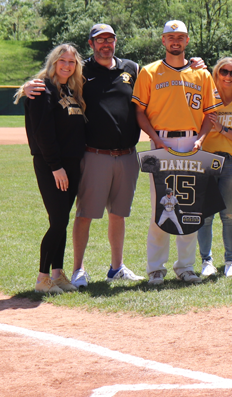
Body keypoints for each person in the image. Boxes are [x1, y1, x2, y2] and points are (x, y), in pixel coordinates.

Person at [20, 24, 145, 287]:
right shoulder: (82, 70)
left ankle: (114, 267)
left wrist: (194, 64)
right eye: (100, 40)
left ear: (115, 41)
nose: (105, 44)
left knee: (117, 214)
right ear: (91, 44)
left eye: (110, 39)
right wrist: (28, 85)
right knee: (81, 214)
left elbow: (155, 86)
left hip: (125, 154)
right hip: (92, 155)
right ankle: (75, 270)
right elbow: (50, 82)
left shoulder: (132, 68)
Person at [132, 20, 221, 285]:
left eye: (180, 37)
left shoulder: (202, 74)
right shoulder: (149, 72)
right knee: (159, 205)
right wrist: (155, 138)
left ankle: (185, 267)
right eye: (171, 37)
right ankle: (155, 268)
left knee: (190, 205)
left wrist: (200, 139)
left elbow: (210, 114)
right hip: (161, 142)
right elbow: (139, 112)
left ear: (187, 40)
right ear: (163, 40)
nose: (175, 41)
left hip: (192, 142)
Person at [16, 44, 87, 294]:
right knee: (57, 221)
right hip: (52, 165)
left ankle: (57, 274)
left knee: (62, 220)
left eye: (71, 62)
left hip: (71, 163)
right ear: (54, 62)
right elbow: (42, 132)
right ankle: (42, 278)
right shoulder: (41, 88)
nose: (67, 66)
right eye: (62, 61)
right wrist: (56, 166)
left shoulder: (71, 89)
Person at [197, 58, 232, 278]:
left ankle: (230, 262)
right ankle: (207, 262)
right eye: (224, 71)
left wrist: (221, 129)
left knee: (229, 216)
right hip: (207, 161)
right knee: (206, 216)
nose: (228, 76)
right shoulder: (207, 96)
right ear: (216, 73)